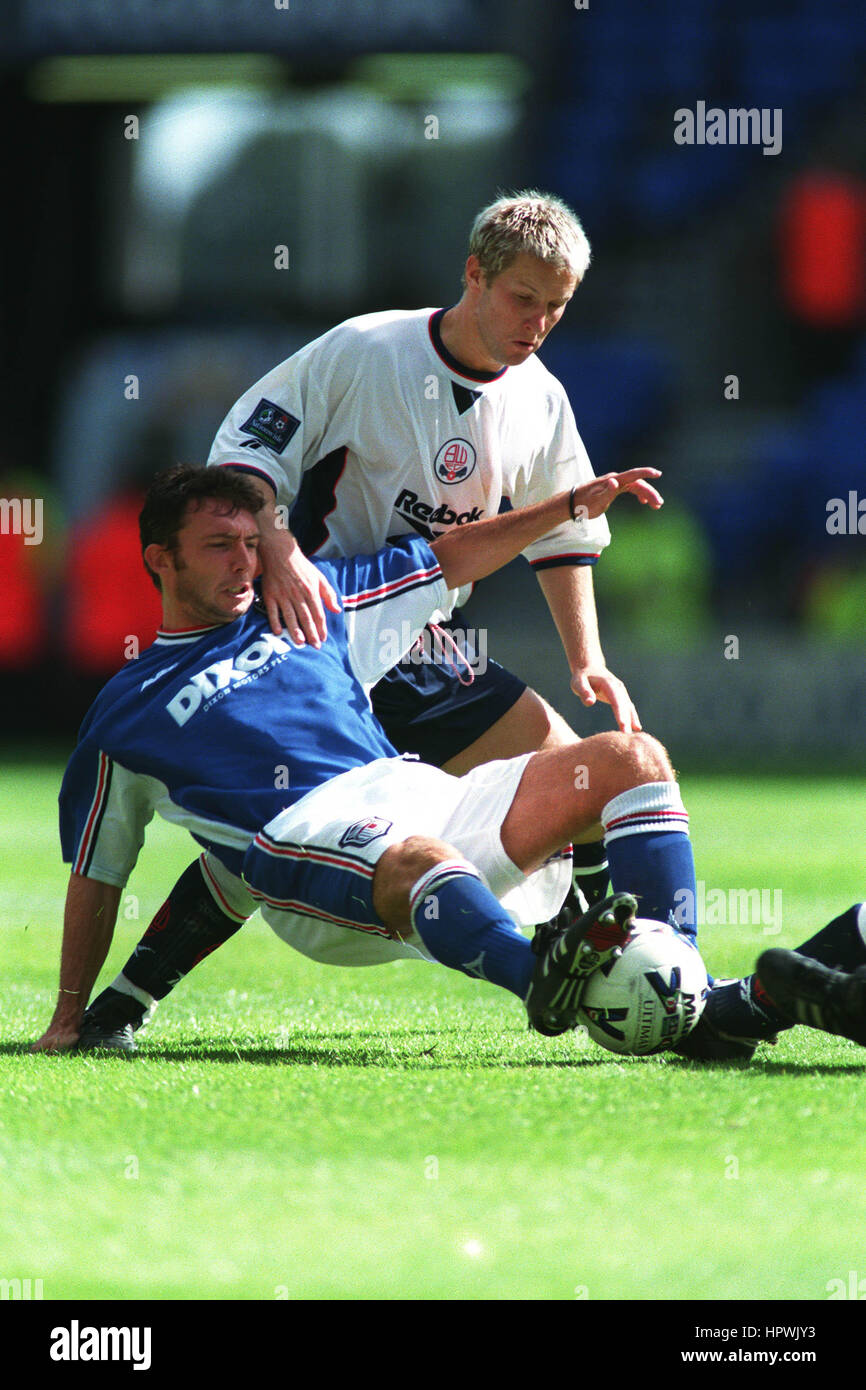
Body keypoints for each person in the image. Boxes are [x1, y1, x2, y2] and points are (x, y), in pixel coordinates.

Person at [116, 192, 635, 1008]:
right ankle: (593, 967)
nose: (538, 321)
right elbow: (247, 449)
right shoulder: (367, 350)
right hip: (313, 632)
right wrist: (280, 552)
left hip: (424, 640)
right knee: (270, 843)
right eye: (523, 299)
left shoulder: (539, 397)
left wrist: (588, 659)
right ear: (475, 274)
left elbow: (564, 531)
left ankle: (593, 959)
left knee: (578, 781)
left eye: (557, 306)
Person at [34, 461, 700, 1053]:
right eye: (217, 547)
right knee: (420, 858)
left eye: (249, 544)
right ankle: (539, 980)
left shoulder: (308, 599)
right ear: (160, 560)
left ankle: (690, 987)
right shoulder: (125, 711)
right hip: (304, 843)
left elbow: (449, 558)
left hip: (413, 790)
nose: (242, 563)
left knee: (630, 759)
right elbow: (99, 870)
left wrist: (568, 507)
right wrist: (68, 1016)